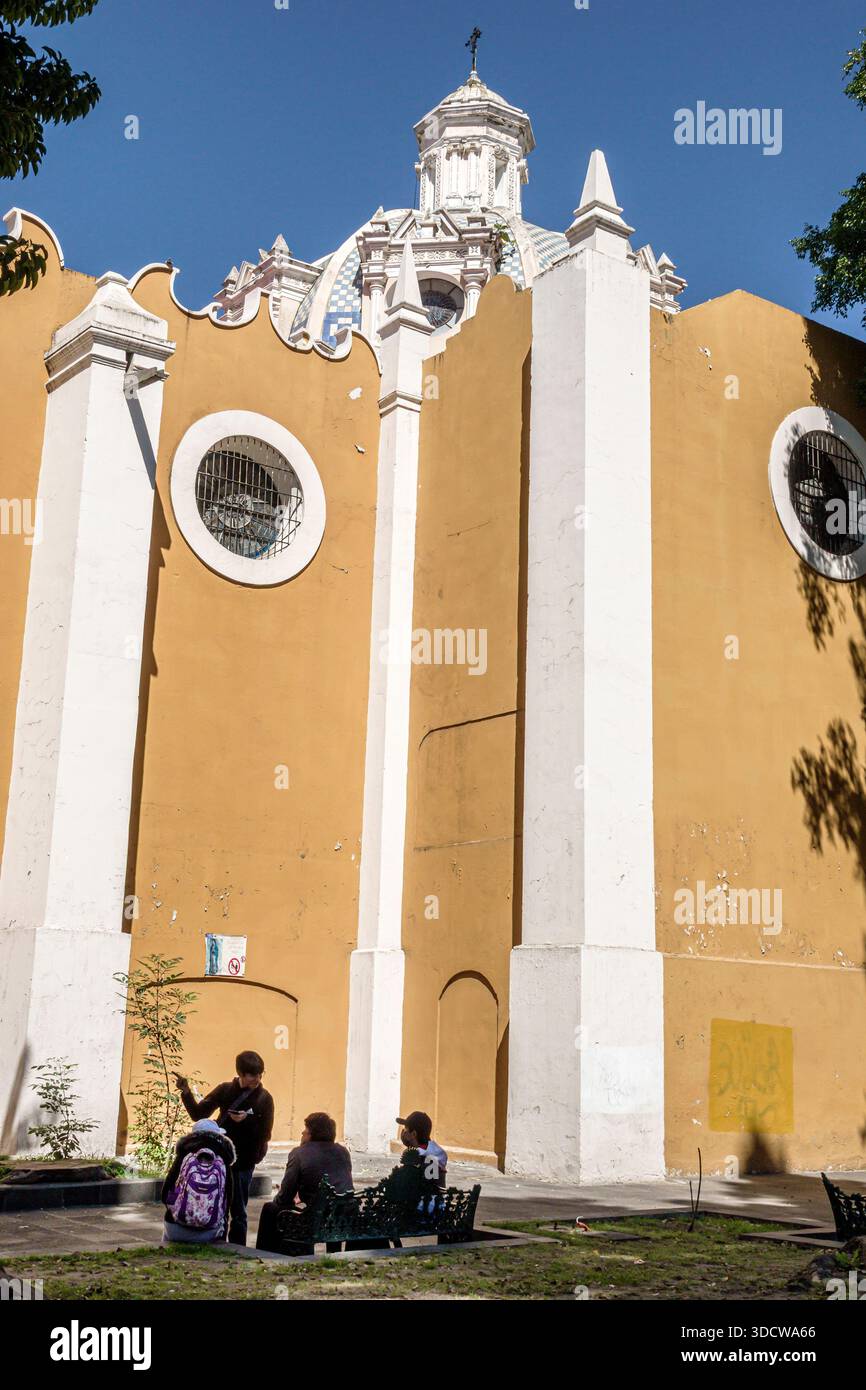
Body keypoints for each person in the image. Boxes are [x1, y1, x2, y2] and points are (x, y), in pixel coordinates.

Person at [173, 1050, 274, 1245]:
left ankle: (238, 1248)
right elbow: (198, 1113)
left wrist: (247, 1120)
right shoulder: (226, 1090)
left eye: (260, 1074)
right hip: (220, 1158)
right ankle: (218, 1243)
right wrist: (186, 1091)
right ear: (241, 1073)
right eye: (253, 1075)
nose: (257, 1079)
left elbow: (265, 1134)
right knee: (217, 1204)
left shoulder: (264, 1098)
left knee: (239, 1210)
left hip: (245, 1160)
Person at [256, 1111, 353, 1255]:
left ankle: (265, 1254)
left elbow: (285, 1196)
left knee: (270, 1209)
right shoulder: (343, 1151)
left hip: (315, 1217)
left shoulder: (299, 1153)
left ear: (312, 1133)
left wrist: (281, 1199)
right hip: (344, 1215)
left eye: (306, 1129)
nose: (302, 1132)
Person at [161, 1118, 236, 1245]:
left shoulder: (185, 1154)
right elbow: (228, 1200)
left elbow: (165, 1194)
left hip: (175, 1229)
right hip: (210, 1232)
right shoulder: (223, 1158)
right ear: (218, 1136)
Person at [396, 1111, 448, 1211]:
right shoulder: (439, 1153)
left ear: (414, 1133)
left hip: (419, 1208)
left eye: (406, 1130)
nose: (403, 1132)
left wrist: (408, 1147)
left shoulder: (413, 1156)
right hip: (438, 1205)